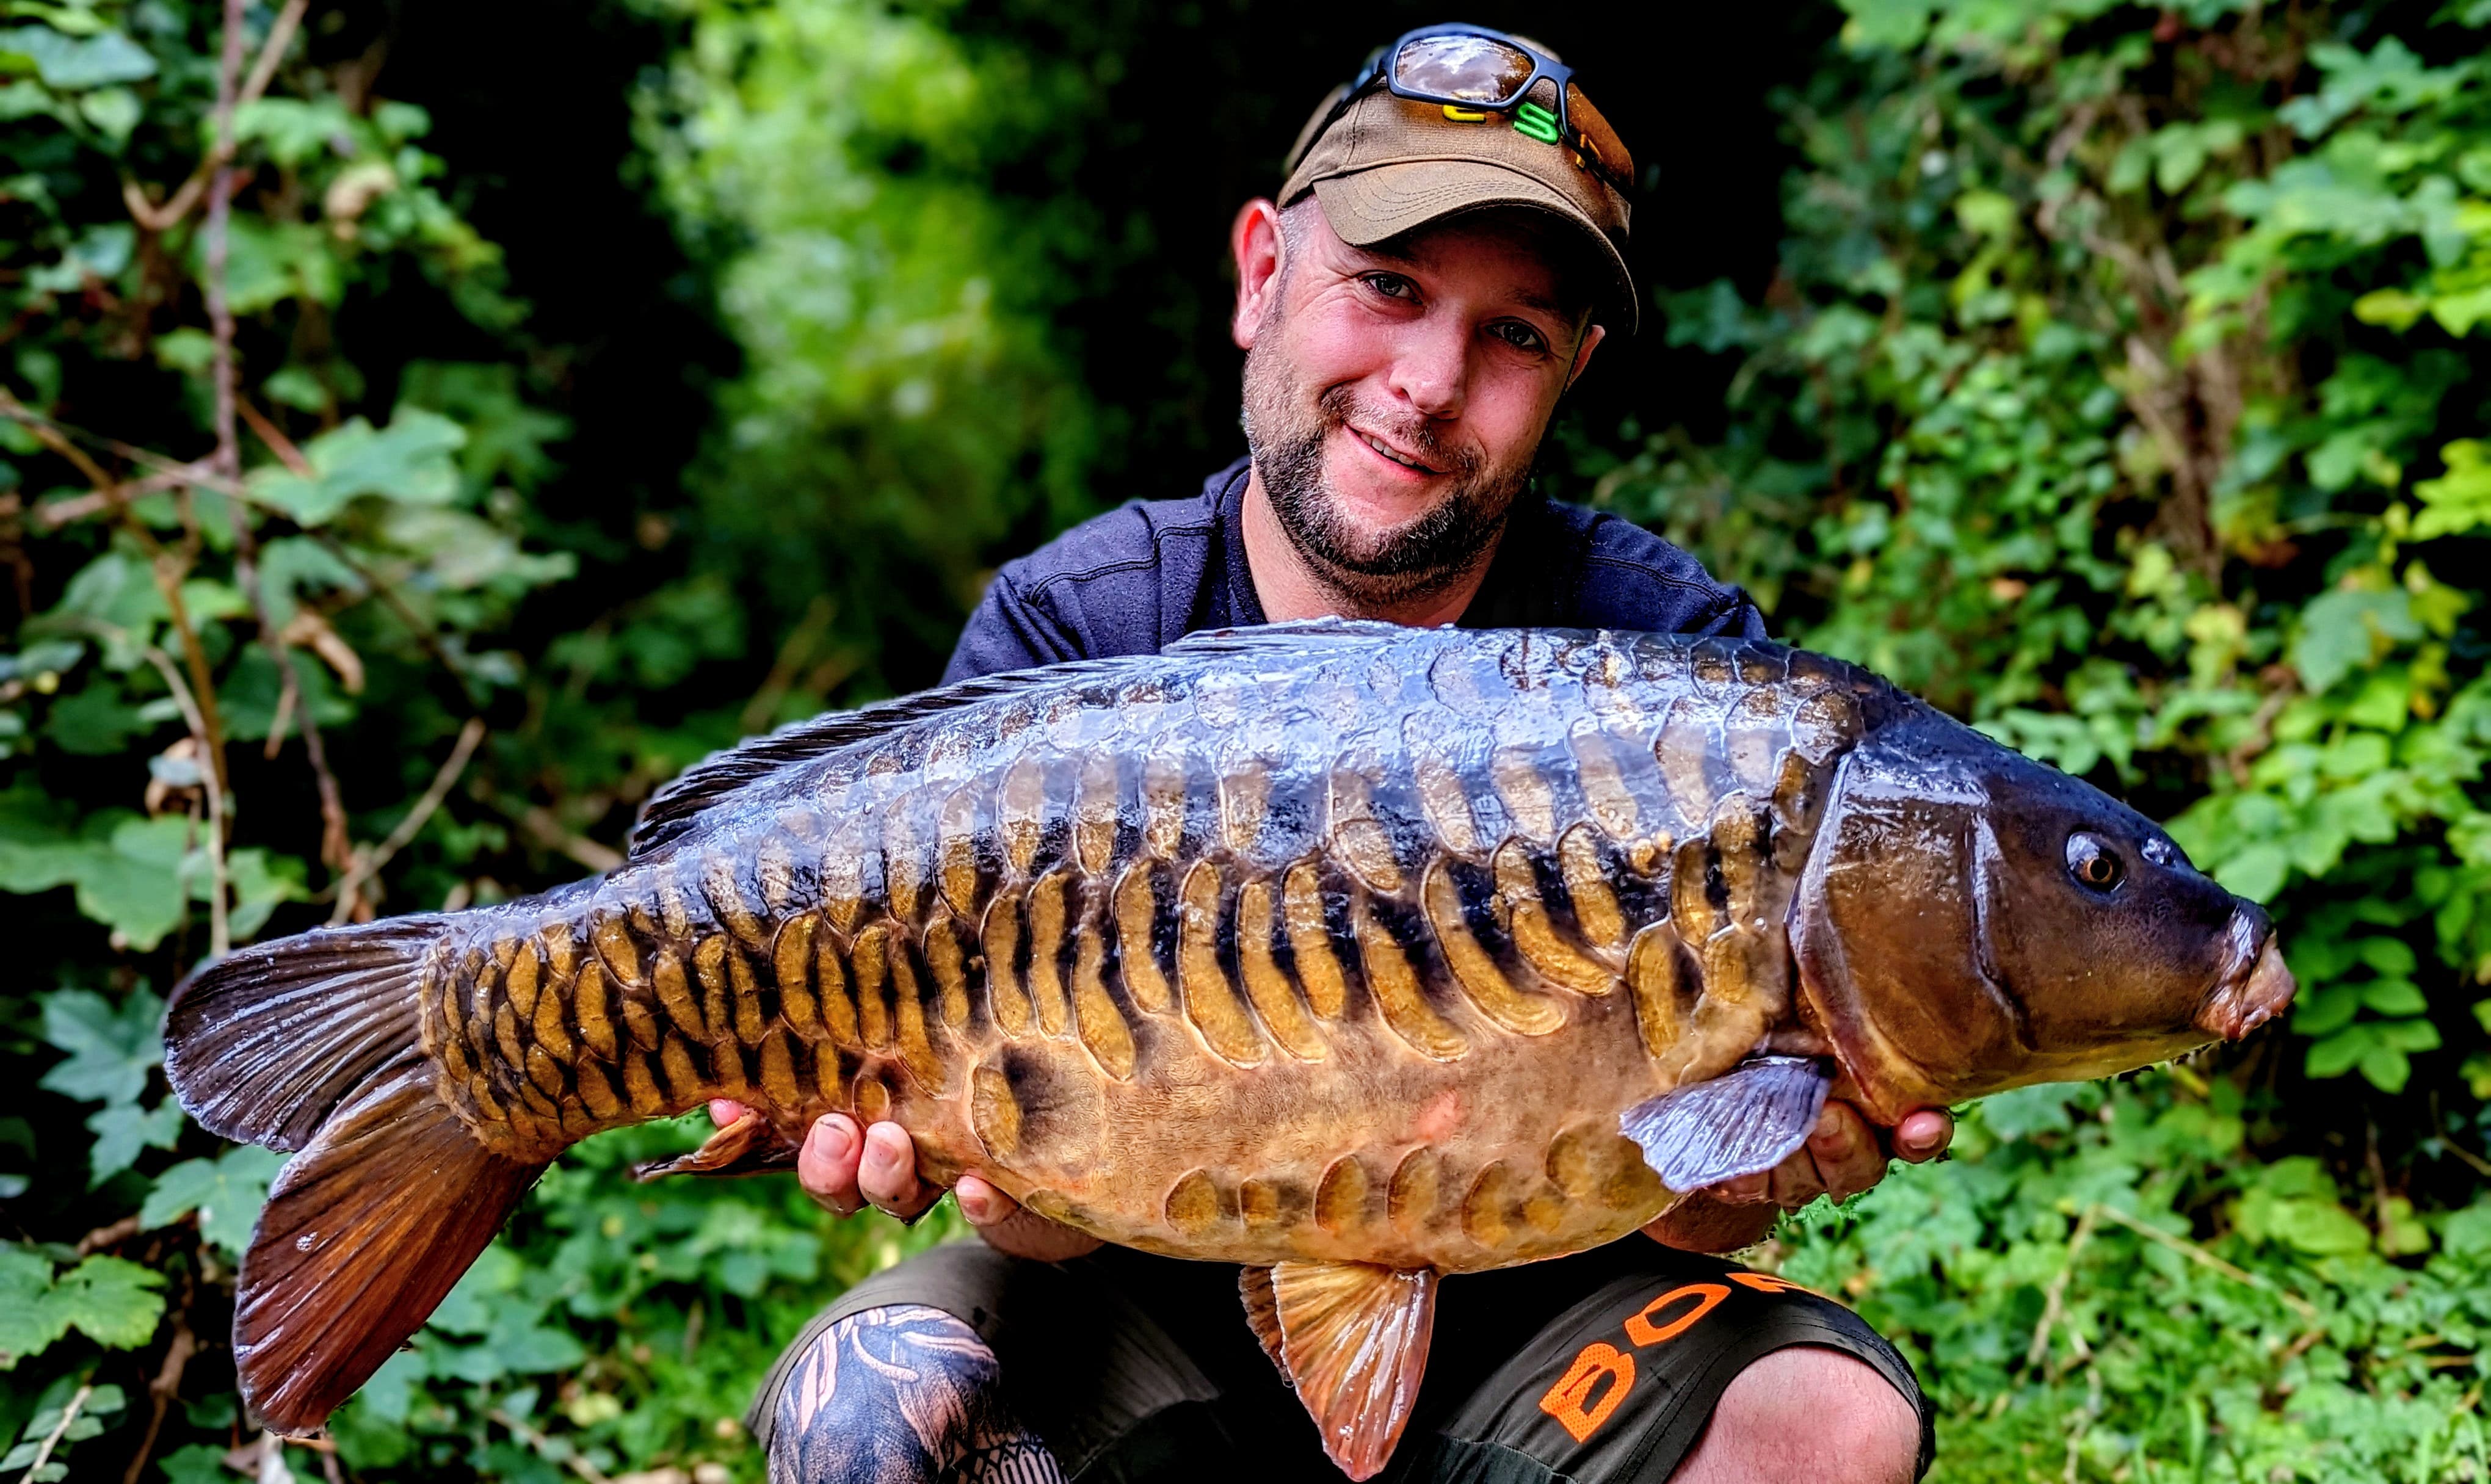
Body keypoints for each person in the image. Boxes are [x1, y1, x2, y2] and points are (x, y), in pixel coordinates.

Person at [730, 26, 1954, 1484]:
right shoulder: (1081, 633)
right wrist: (967, 1154)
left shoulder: (1681, 668)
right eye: (1388, 288)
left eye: (1514, 333)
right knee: (869, 1403)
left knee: (1827, 1425)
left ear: (1575, 368)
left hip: (1545, 1325)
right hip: (1135, 1301)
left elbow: (1695, 1205)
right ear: (1262, 278)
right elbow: (1041, 1216)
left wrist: (1756, 1168)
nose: (1429, 382)